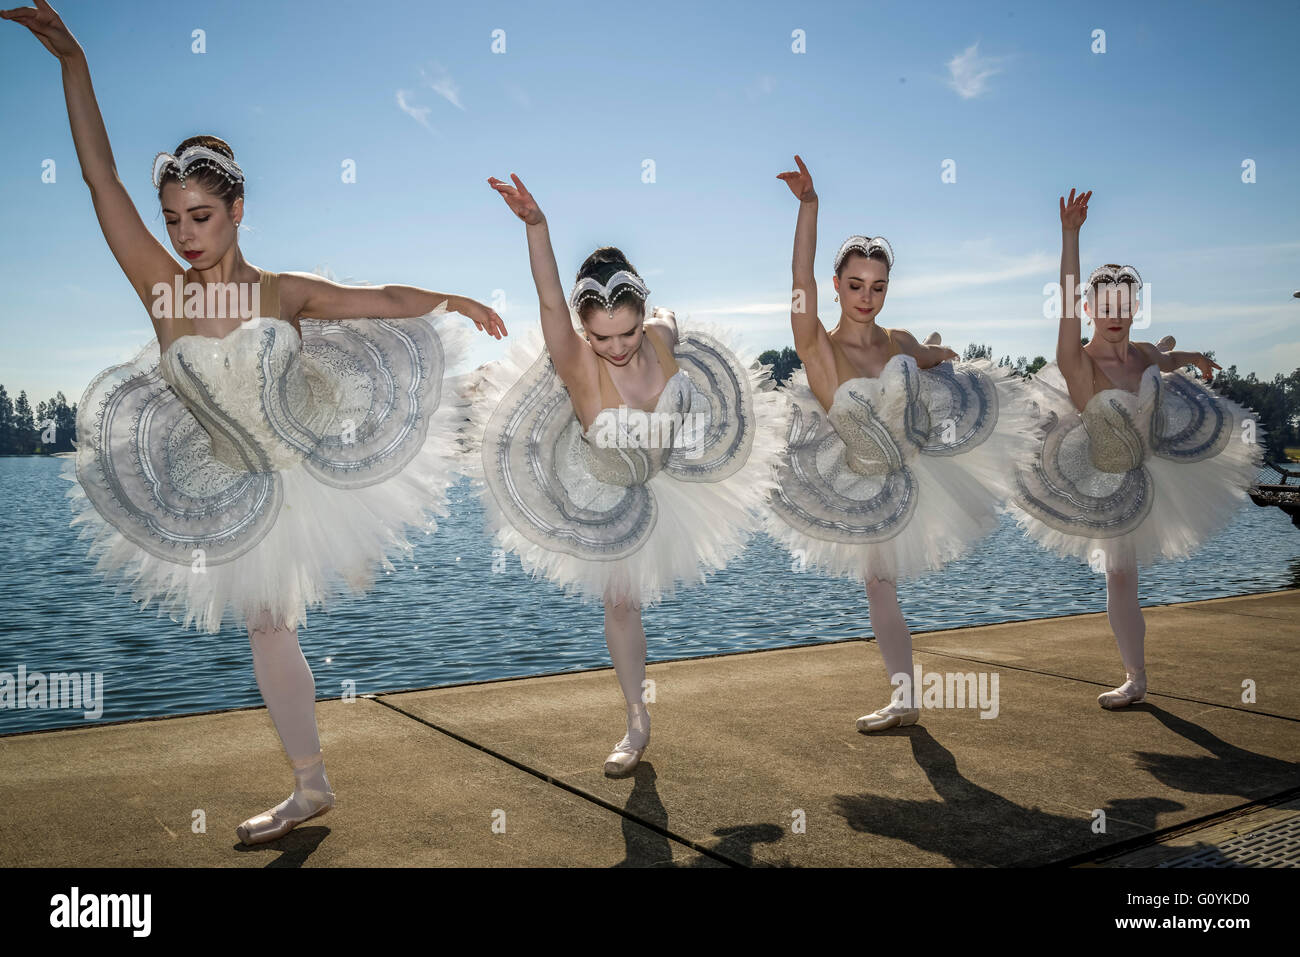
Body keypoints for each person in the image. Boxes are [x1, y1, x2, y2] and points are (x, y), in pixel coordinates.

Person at [3, 0, 506, 844]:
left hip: (303, 467)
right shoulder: (164, 291)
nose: (183, 234)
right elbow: (99, 178)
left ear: (238, 208)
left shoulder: (283, 292)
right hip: (224, 477)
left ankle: (310, 786)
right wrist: (72, 62)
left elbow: (380, 300)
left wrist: (451, 295)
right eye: (172, 219)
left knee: (271, 624)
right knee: (268, 625)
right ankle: (309, 785)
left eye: (199, 216)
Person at [469, 173, 786, 775]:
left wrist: (659, 317)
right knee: (620, 599)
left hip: (667, 469)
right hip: (604, 487)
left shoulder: (662, 341)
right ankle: (637, 723)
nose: (616, 346)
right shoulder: (581, 367)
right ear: (585, 333)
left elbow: (666, 316)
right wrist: (537, 226)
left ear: (643, 319)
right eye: (601, 336)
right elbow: (546, 301)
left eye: (629, 331)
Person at [768, 155, 1039, 732]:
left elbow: (927, 357)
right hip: (858, 480)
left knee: (882, 583)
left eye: (879, 286)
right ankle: (906, 697)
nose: (867, 297)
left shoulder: (897, 340)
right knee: (880, 583)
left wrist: (942, 356)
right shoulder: (818, 346)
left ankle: (906, 699)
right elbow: (798, 288)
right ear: (837, 286)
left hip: (915, 465)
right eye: (856, 285)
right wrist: (809, 206)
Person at [1009, 188, 1263, 709]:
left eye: (1124, 305)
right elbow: (1063, 304)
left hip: (1156, 467)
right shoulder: (1077, 362)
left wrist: (1190, 355)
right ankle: (1135, 678)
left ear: (1136, 307)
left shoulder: (1144, 353)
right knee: (1121, 577)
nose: (1115, 314)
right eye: (1103, 306)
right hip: (1105, 479)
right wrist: (1070, 235)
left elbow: (1162, 359)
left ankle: (1136, 675)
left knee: (1130, 576)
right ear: (1088, 308)